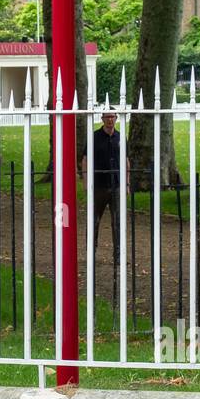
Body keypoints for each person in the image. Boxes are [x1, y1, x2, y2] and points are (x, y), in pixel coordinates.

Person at [79, 111, 129, 284]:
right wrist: (86, 181)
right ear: (102, 119)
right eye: (107, 117)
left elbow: (126, 161)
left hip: (116, 186)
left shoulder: (120, 138)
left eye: (112, 117)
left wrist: (127, 184)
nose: (110, 120)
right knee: (94, 221)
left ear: (116, 119)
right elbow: (85, 160)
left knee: (117, 222)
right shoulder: (94, 137)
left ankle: (118, 256)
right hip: (98, 186)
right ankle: (91, 254)